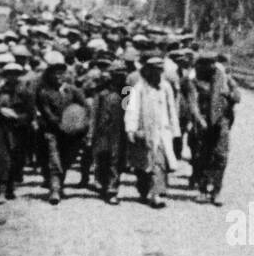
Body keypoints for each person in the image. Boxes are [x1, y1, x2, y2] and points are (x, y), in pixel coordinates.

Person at [124, 53, 180, 209]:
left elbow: (171, 109)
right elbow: (132, 109)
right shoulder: (139, 87)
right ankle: (143, 189)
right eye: (154, 70)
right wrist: (131, 129)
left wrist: (175, 132)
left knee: (160, 163)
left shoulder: (166, 87)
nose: (157, 73)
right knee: (143, 165)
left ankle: (157, 194)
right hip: (144, 131)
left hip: (162, 132)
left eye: (160, 70)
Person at [36, 51, 89, 204]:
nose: (59, 76)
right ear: (49, 74)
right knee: (54, 160)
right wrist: (61, 125)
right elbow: (47, 113)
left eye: (61, 73)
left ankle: (60, 183)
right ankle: (55, 189)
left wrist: (79, 123)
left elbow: (85, 107)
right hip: (52, 130)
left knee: (67, 160)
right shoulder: (44, 92)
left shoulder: (72, 90)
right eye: (55, 73)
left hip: (72, 134)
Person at [191, 53, 241, 205]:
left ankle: (216, 190)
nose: (209, 67)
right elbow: (192, 103)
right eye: (204, 64)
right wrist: (199, 120)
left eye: (211, 64)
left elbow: (237, 97)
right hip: (204, 121)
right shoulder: (195, 81)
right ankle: (203, 189)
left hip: (222, 122)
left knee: (220, 156)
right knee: (203, 155)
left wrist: (229, 94)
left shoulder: (225, 78)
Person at [0, 60, 33, 204]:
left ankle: (10, 186)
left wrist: (17, 116)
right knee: (2, 158)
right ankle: (1, 190)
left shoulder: (25, 92)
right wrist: (0, 110)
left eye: (15, 74)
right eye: (9, 74)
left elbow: (30, 114)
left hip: (18, 129)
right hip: (1, 127)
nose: (12, 77)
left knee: (16, 159)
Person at [92, 60, 128, 205]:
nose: (119, 77)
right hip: (103, 130)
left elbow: (129, 110)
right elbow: (95, 112)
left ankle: (112, 189)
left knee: (117, 159)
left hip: (120, 130)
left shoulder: (126, 91)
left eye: (122, 74)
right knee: (103, 158)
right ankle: (103, 184)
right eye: (116, 74)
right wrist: (91, 132)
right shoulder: (102, 92)